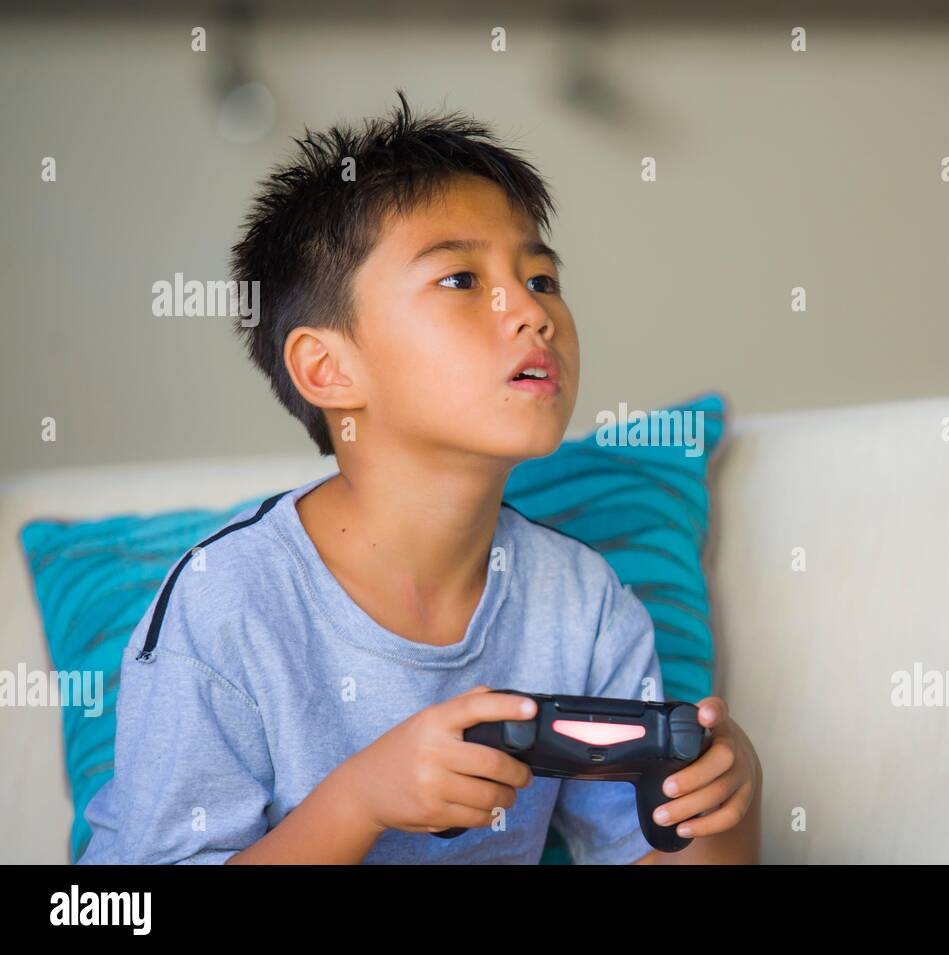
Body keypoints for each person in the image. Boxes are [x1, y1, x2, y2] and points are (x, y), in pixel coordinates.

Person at [78, 91, 760, 865]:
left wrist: (724, 807)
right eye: (462, 281)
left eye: (541, 280)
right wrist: (359, 798)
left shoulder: (582, 601)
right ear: (327, 368)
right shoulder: (226, 603)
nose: (533, 314)